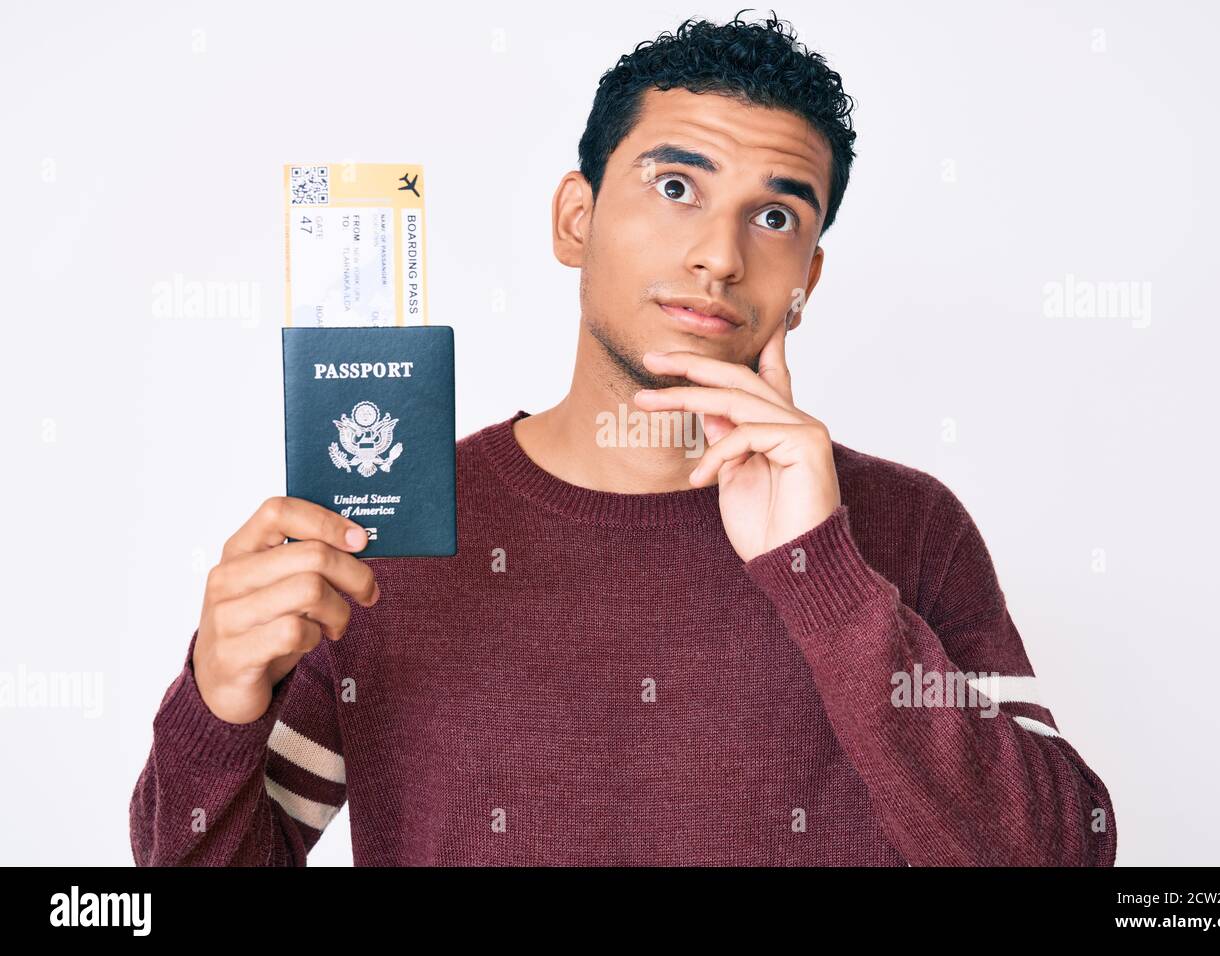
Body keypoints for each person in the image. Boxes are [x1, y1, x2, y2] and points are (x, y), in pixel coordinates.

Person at [130, 11, 1117, 866]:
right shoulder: (398, 525)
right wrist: (214, 703)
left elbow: (1060, 848)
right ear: (575, 217)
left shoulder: (908, 527)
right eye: (676, 187)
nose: (718, 255)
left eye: (773, 215)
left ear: (807, 278)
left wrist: (820, 575)